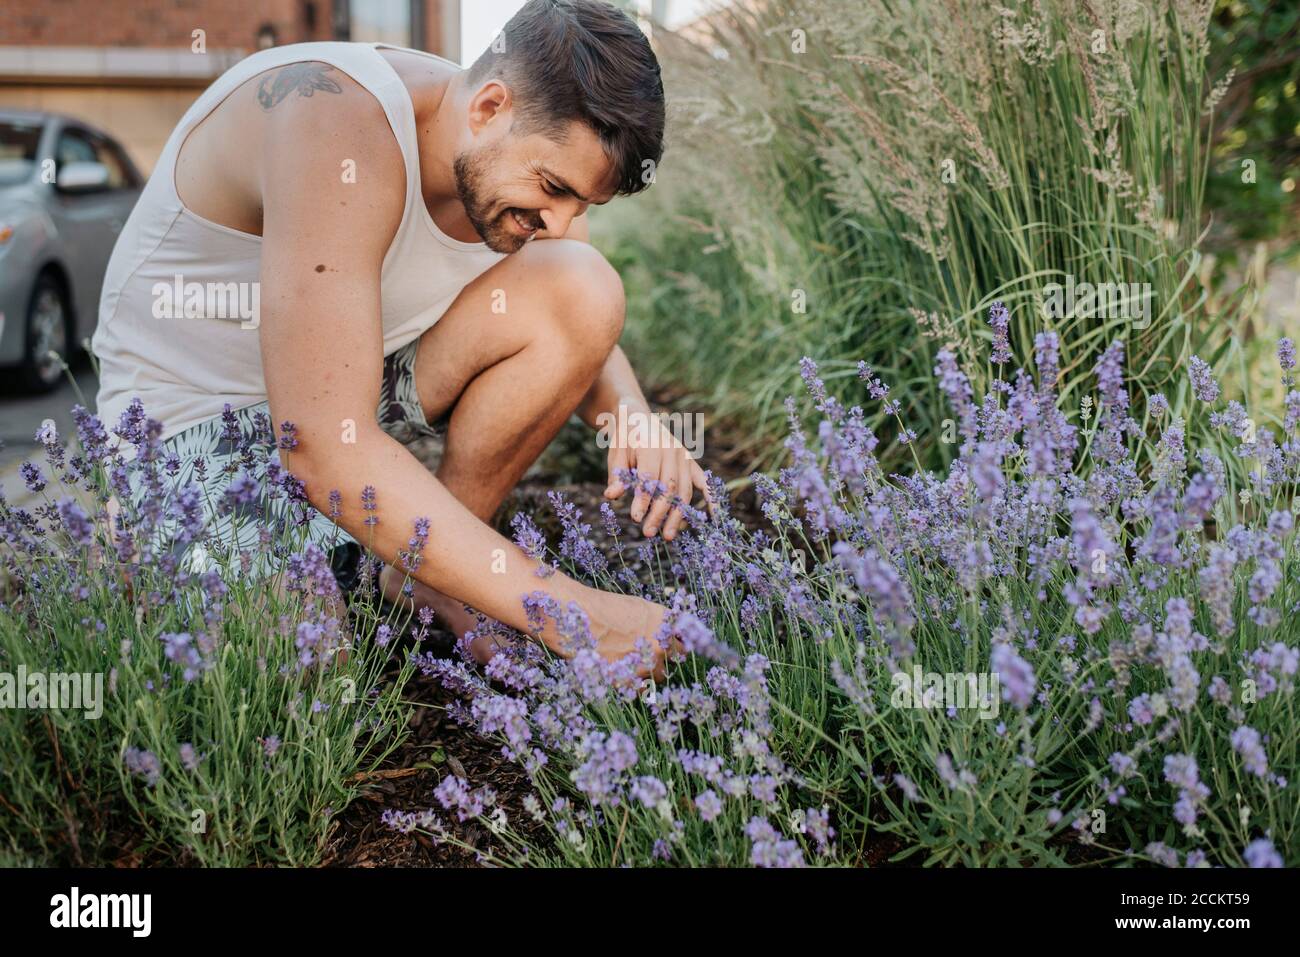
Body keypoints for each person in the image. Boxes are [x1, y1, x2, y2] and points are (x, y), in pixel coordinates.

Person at [91, 0, 707, 675]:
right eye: (554, 188)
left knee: (581, 281)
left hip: (347, 398)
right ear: (488, 107)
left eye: (581, 204)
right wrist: (574, 615)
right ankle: (158, 549)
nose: (561, 222)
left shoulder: (514, 168)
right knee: (301, 687)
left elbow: (573, 307)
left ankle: (426, 580)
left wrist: (634, 418)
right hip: (192, 431)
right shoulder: (335, 121)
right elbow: (321, 447)